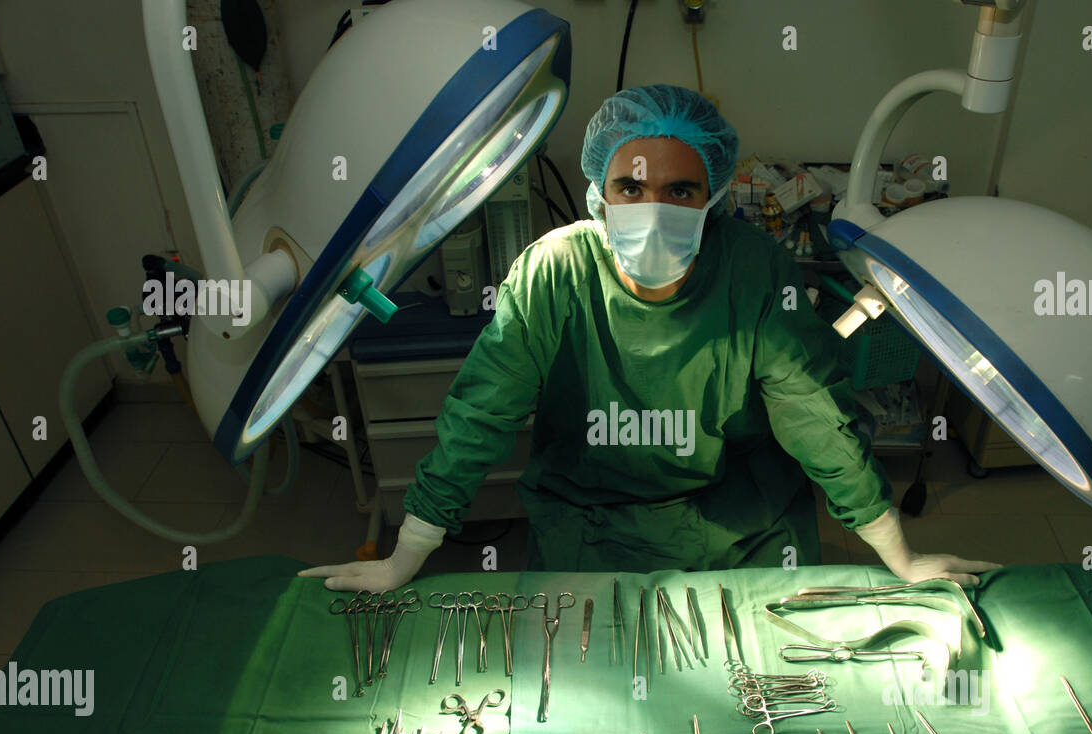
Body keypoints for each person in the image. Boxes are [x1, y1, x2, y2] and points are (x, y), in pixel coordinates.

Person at [301, 84, 998, 591]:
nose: (654, 210)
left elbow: (815, 413)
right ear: (600, 192)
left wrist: (899, 555)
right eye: (631, 190)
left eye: (680, 192)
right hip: (589, 512)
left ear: (712, 197)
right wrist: (407, 553)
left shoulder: (752, 270)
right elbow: (481, 413)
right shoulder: (555, 272)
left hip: (738, 513)